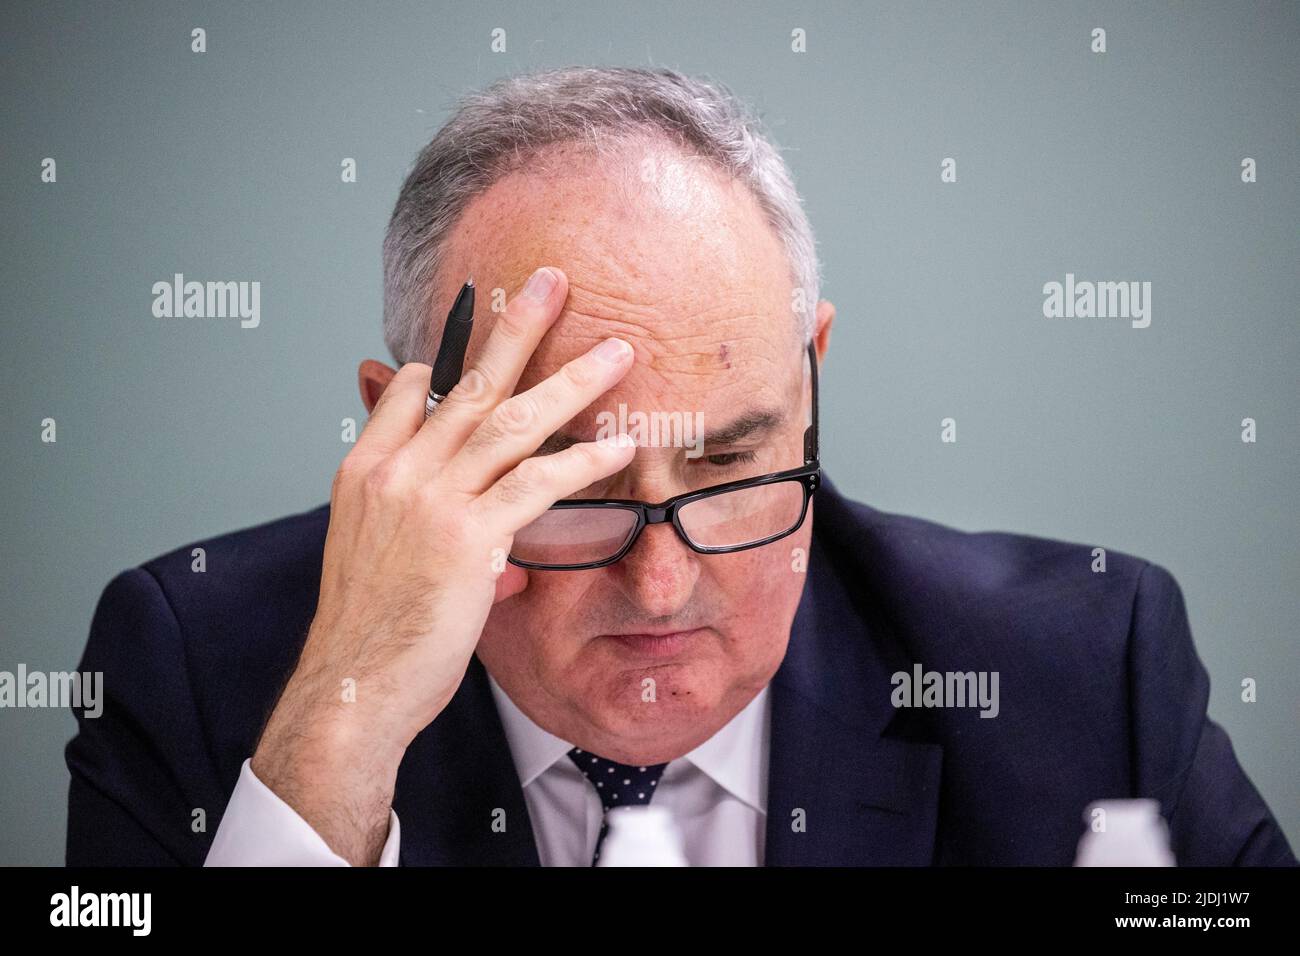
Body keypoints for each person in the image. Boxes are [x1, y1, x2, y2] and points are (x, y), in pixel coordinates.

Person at [65, 66, 1295, 867]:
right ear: (402, 438)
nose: (662, 584)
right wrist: (341, 730)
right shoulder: (195, 666)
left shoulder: (1084, 669)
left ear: (809, 382)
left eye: (733, 462)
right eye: (570, 482)